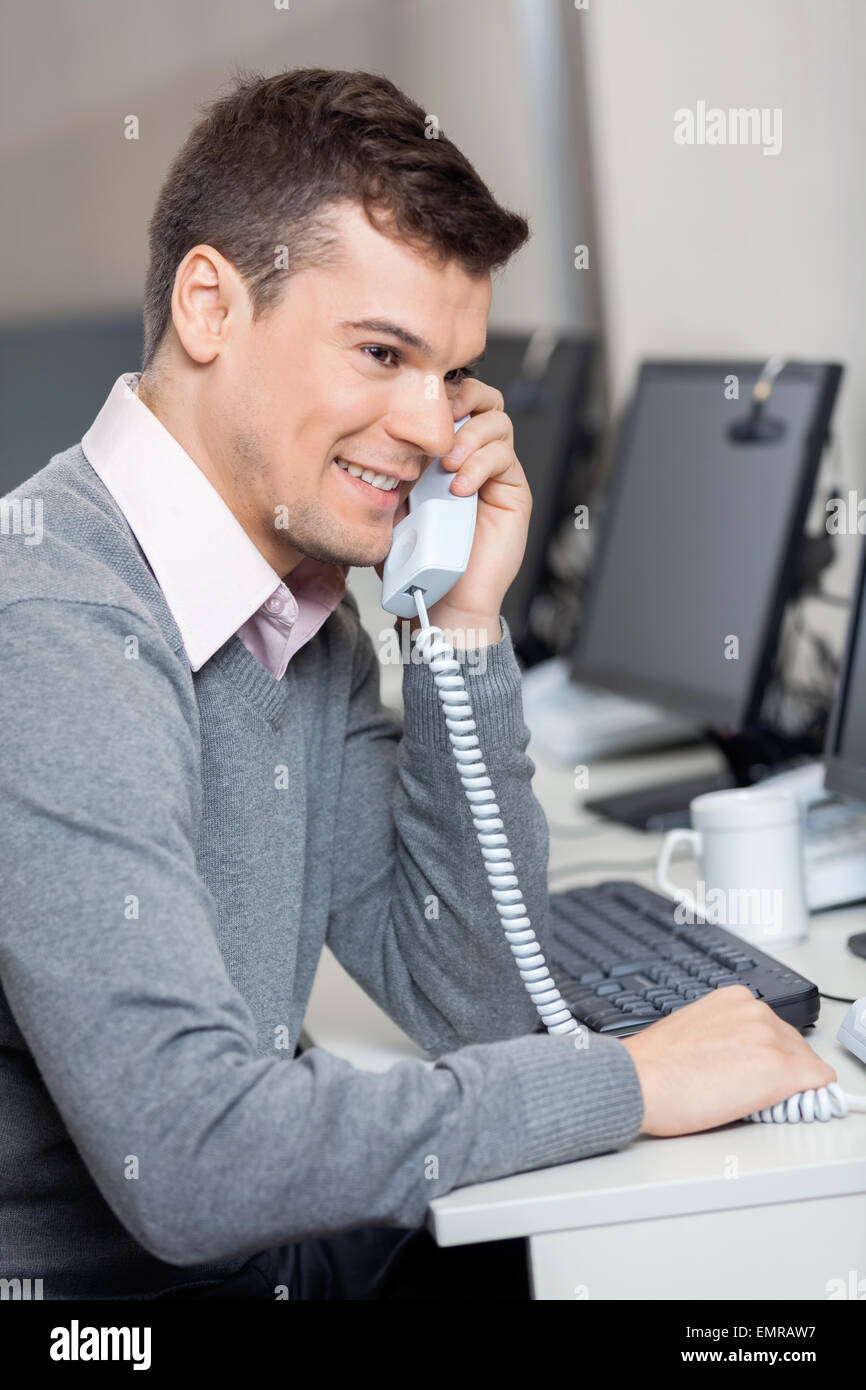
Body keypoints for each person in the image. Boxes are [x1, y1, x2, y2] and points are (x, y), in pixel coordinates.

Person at [0, 68, 835, 1301]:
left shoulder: (294, 620)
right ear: (209, 306)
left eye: (449, 374)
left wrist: (461, 627)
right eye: (382, 352)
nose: (434, 426)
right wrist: (630, 1082)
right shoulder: (54, 626)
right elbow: (189, 1160)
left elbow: (471, 1004)